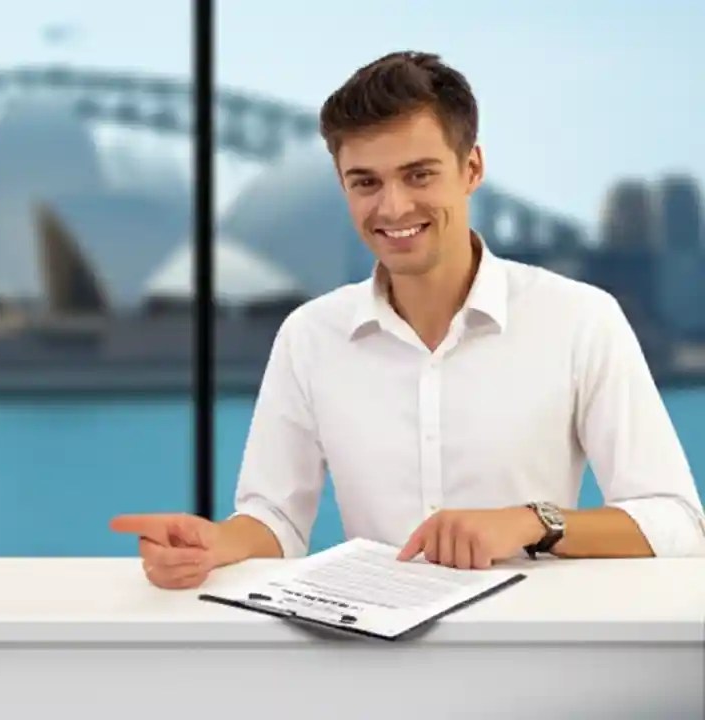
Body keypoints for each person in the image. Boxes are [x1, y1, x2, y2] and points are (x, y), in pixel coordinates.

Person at [111, 50, 705, 589]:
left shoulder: (579, 318)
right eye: (365, 183)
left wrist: (529, 524)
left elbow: (675, 522)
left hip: (527, 655)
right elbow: (275, 518)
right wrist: (218, 544)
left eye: (419, 175)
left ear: (471, 168)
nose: (392, 207)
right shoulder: (309, 335)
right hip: (363, 659)